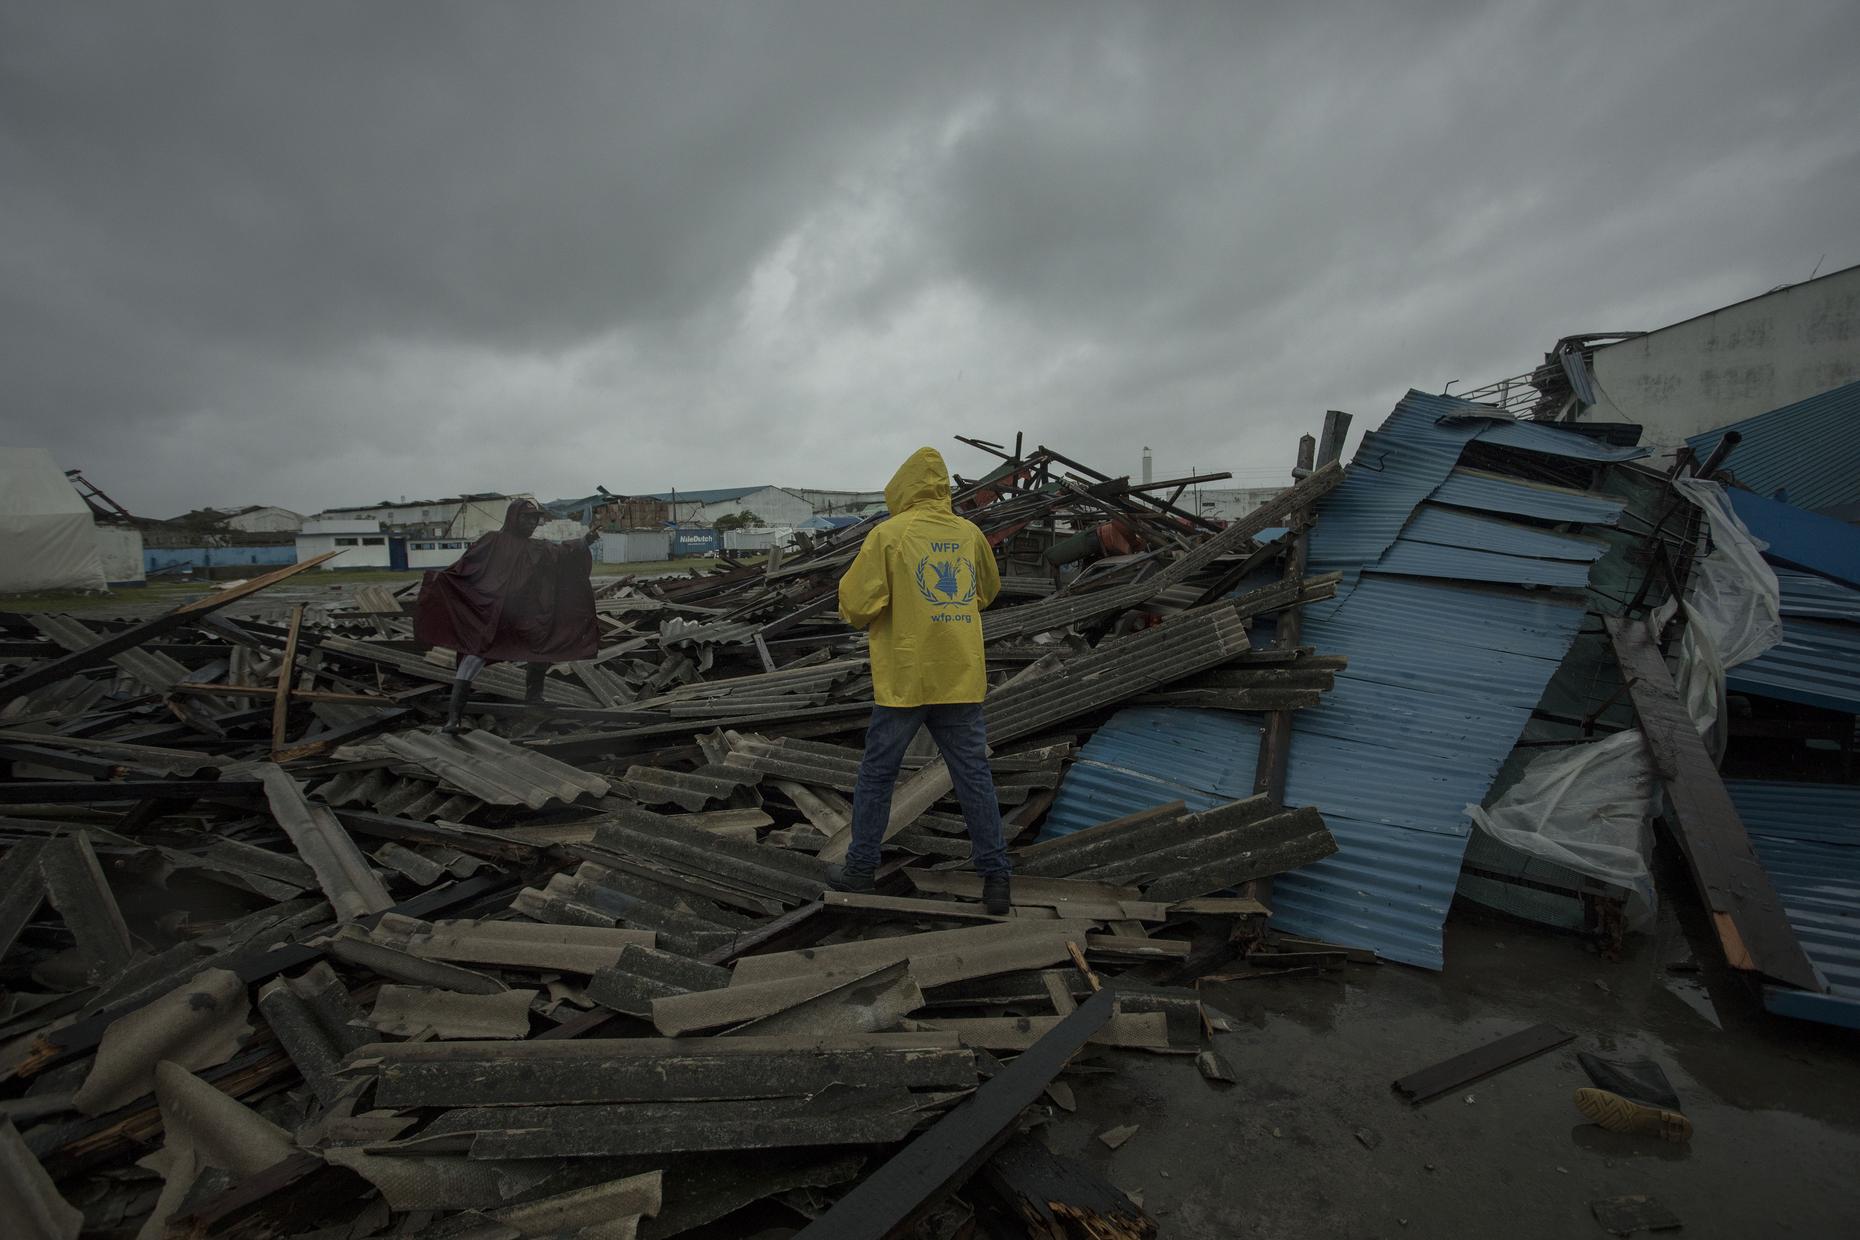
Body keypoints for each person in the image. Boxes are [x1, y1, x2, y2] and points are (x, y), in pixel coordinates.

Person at [827, 447, 1012, 915]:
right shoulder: (969, 533)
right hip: (959, 676)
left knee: (878, 775)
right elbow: (986, 593)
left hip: (905, 680)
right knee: (973, 777)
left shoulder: (889, 536)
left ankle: (859, 870)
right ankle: (996, 881)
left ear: (904, 485)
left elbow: (855, 607)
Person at [413, 498, 601, 733]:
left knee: (540, 648)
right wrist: (443, 580)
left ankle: (534, 697)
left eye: (534, 519)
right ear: (513, 518)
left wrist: (585, 541)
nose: (531, 523)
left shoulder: (537, 547)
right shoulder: (492, 541)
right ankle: (454, 719)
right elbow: (466, 567)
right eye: (526, 518)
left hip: (523, 615)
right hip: (492, 614)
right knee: (474, 658)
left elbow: (561, 553)